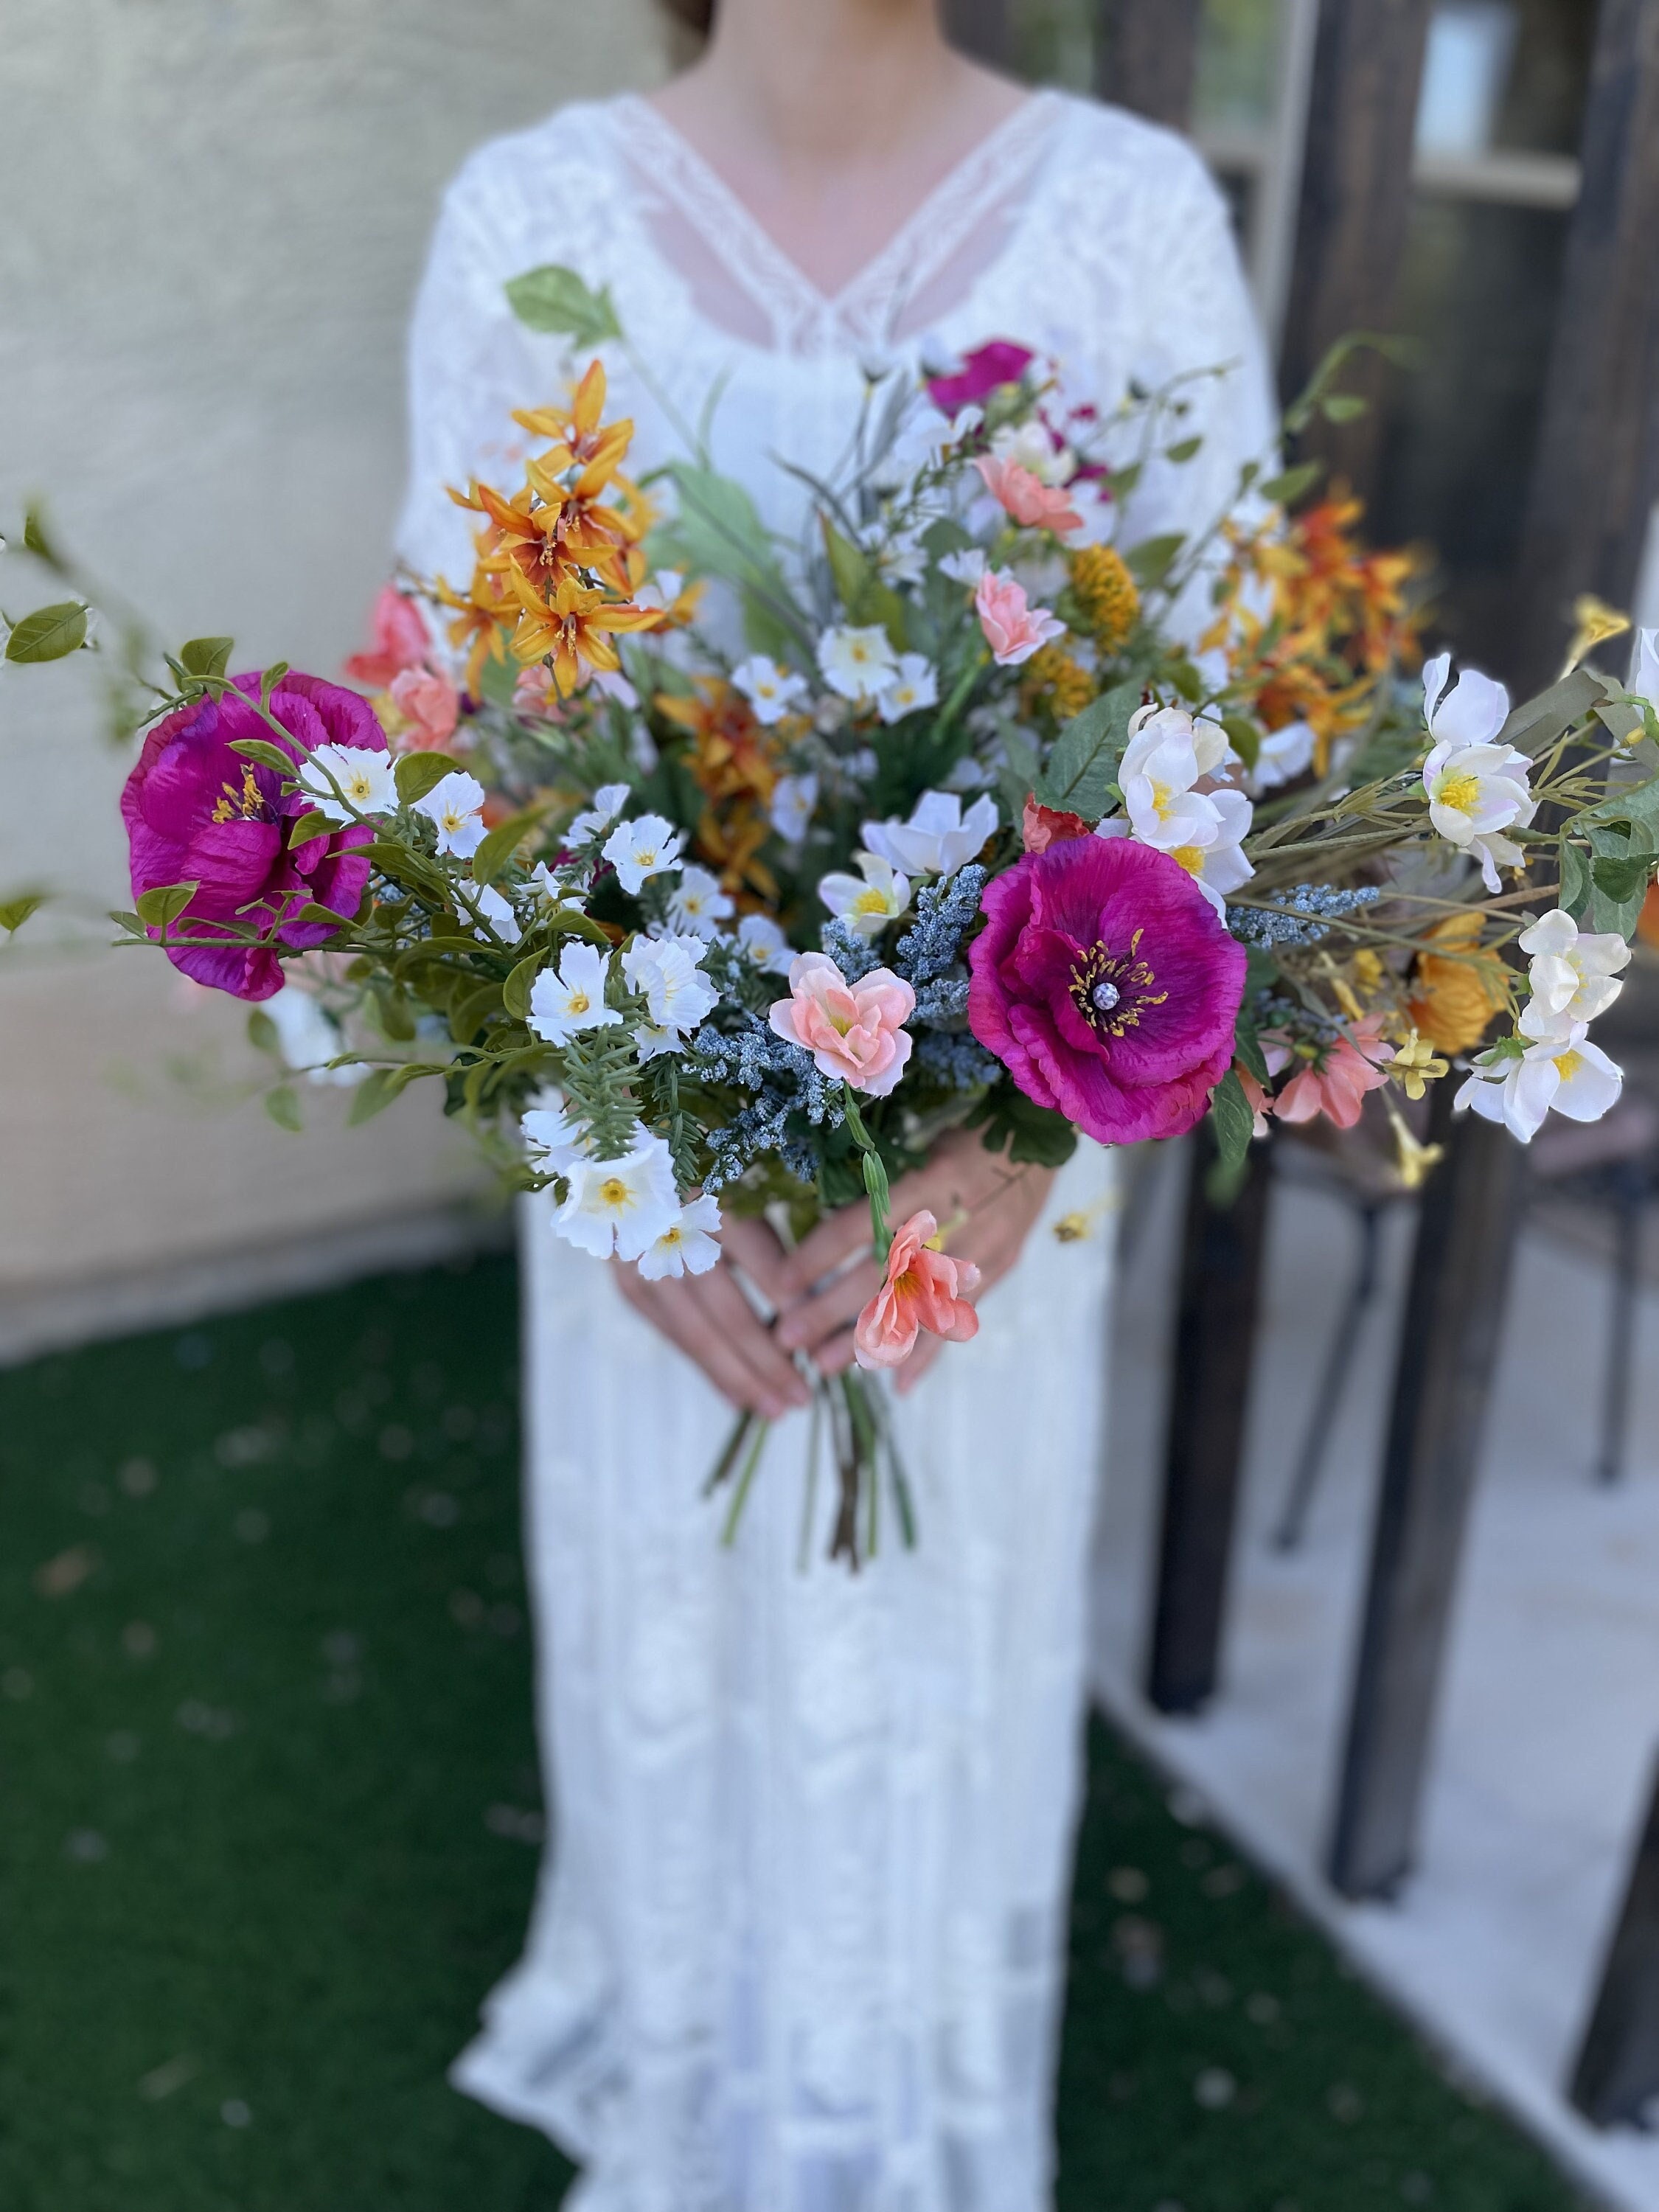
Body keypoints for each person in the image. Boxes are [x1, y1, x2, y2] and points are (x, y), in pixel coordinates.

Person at [394, 2, 1273, 2202]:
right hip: (644, 1137)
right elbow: (447, 724)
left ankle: (902, 2102)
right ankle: (676, 2042)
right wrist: (604, 1157)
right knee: (671, 1582)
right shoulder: (527, 219)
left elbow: (1235, 728)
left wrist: (1025, 1130)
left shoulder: (1128, 217)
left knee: (926, 1632)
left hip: (997, 1145)